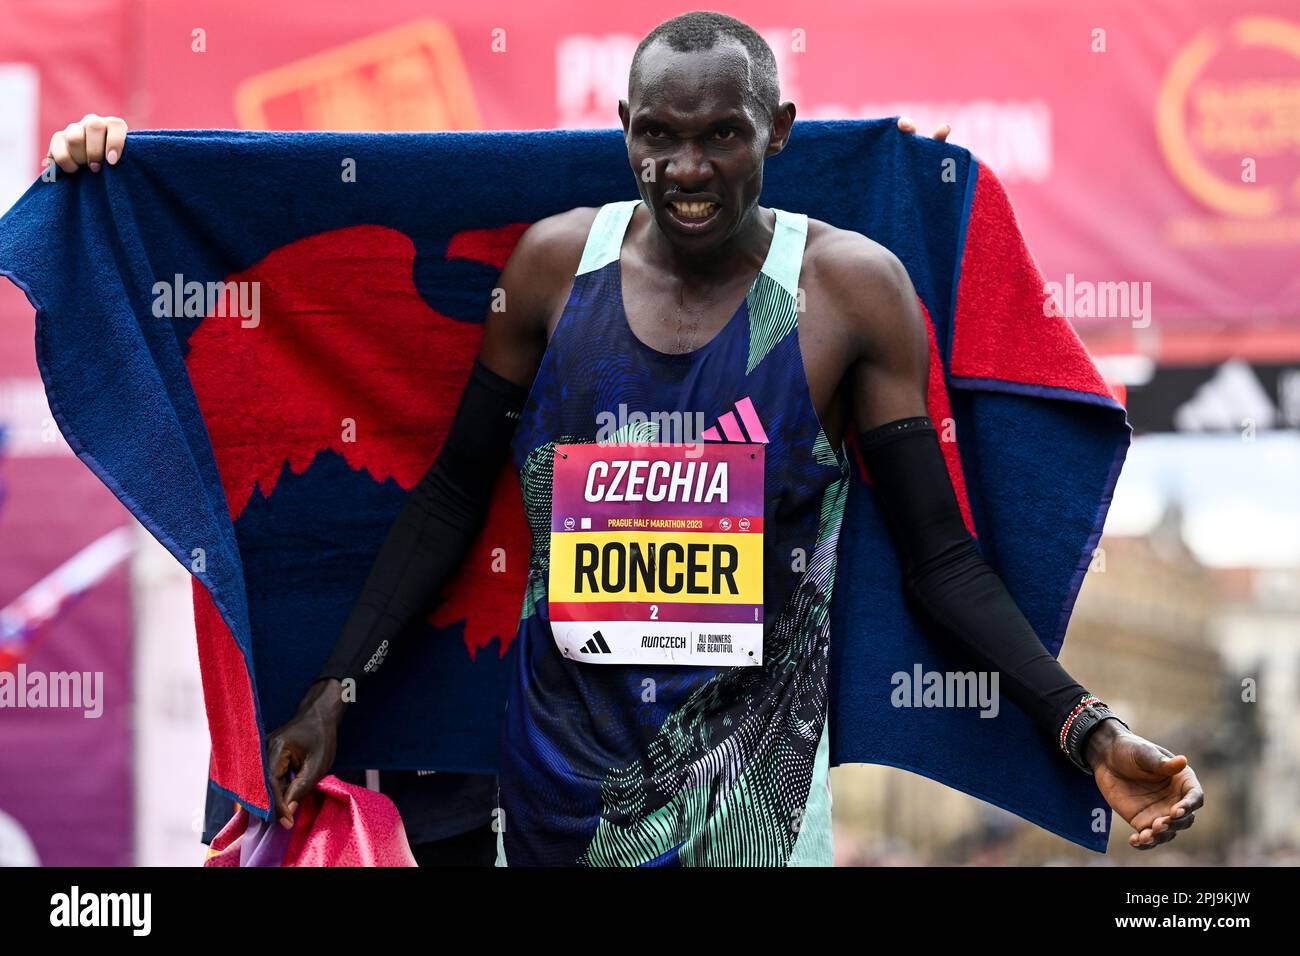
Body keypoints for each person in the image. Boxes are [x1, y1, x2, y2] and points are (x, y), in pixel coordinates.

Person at [49, 11, 1201, 867]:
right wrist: (333, 690)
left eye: (721, 137)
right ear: (622, 130)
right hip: (557, 799)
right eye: (657, 136)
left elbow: (940, 559)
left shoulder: (851, 291)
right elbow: (450, 495)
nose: (686, 170)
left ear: (780, 133)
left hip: (750, 806)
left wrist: (1083, 724)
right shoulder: (553, 266)